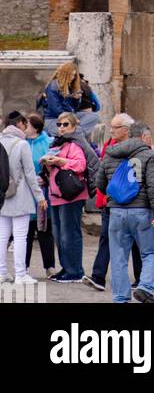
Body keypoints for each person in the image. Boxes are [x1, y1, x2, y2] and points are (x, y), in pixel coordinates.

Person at [96, 113, 154, 304]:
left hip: (116, 212)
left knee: (118, 257)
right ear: (143, 137)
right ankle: (145, 287)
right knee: (151, 252)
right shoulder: (149, 155)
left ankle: (120, 298)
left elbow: (99, 184)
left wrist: (115, 196)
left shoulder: (110, 153)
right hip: (142, 211)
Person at [84, 113, 142, 294]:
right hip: (110, 202)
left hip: (131, 203)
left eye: (115, 128)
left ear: (125, 130)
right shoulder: (109, 146)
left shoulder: (136, 149)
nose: (111, 130)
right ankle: (98, 277)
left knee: (135, 242)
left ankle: (141, 278)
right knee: (106, 238)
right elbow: (102, 174)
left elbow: (139, 176)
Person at [1, 110, 47, 285]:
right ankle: (20, 274)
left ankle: (2, 272)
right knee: (20, 236)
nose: (26, 127)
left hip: (2, 195)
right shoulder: (22, 145)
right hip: (20, 195)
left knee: (2, 236)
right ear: (19, 124)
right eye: (25, 124)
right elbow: (29, 174)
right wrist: (40, 197)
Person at [42, 111, 89, 283]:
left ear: (74, 126)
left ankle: (75, 271)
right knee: (59, 234)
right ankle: (66, 268)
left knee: (70, 234)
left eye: (65, 124)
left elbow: (80, 165)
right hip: (55, 195)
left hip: (71, 196)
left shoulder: (75, 145)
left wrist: (61, 161)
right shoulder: (57, 145)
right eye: (59, 124)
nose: (61, 127)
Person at [24, 113, 55, 278]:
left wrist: (44, 178)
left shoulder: (48, 143)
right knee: (26, 232)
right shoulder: (22, 143)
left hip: (43, 193)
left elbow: (54, 166)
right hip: (26, 193)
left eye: (27, 125)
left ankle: (50, 267)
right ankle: (24, 268)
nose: (24, 128)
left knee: (45, 230)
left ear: (35, 128)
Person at [39, 62, 100, 138]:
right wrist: (73, 119)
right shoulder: (53, 86)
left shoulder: (69, 86)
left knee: (94, 117)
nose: (72, 77)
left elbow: (74, 108)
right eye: (70, 75)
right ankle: (76, 135)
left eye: (74, 75)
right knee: (72, 126)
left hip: (69, 117)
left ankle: (75, 134)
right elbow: (56, 110)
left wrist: (76, 99)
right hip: (54, 120)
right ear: (64, 74)